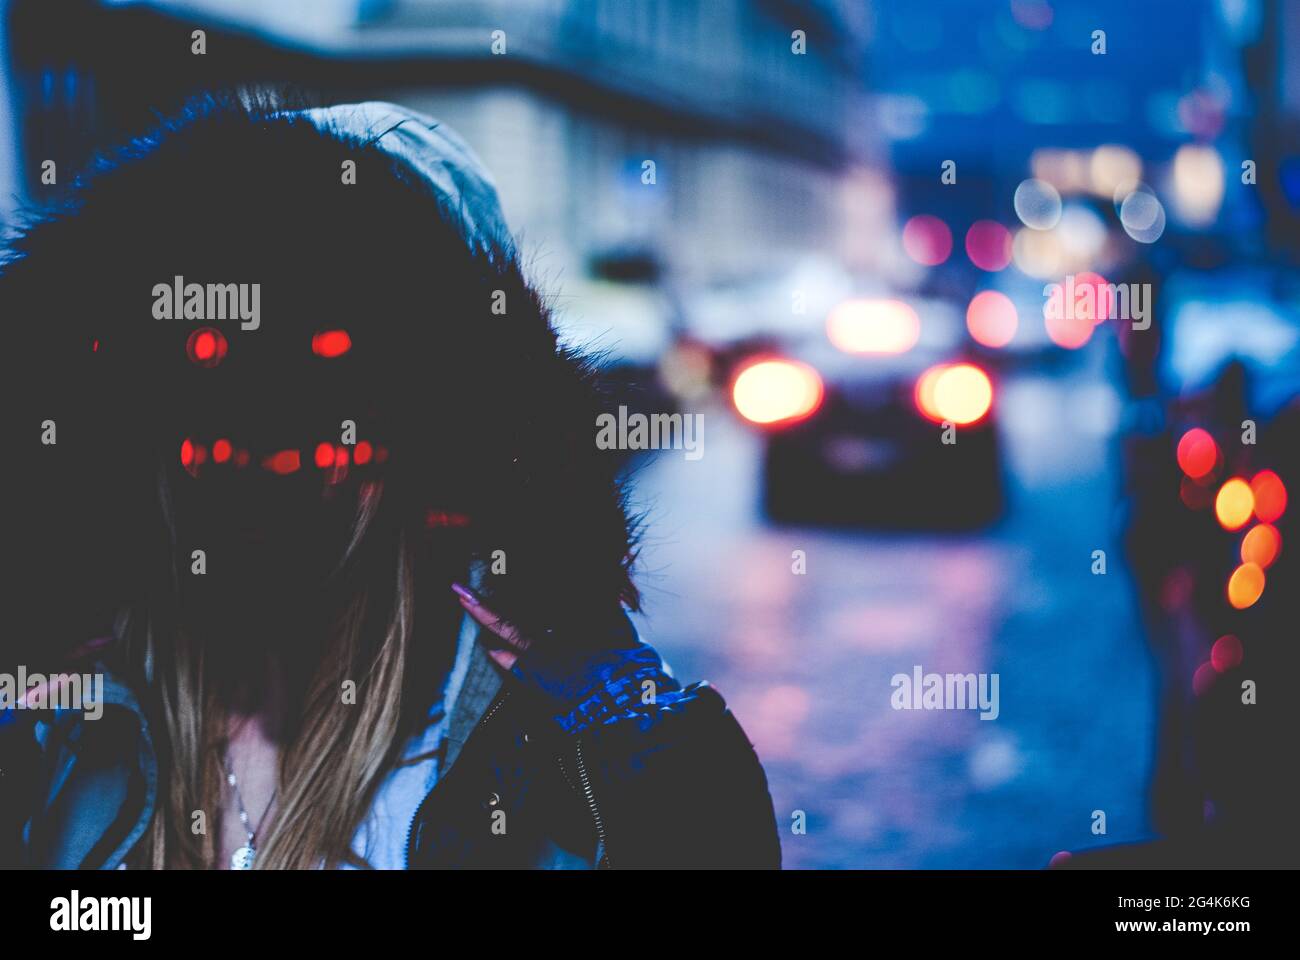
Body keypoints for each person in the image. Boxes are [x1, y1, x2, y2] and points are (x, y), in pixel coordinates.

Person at [0, 94, 781, 870]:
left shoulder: (550, 750)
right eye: (209, 351)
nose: (259, 431)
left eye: (328, 357)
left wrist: (630, 744)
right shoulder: (60, 718)